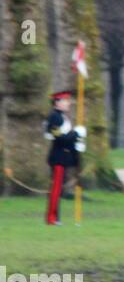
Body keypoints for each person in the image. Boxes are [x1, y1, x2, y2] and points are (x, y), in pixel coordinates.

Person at [44, 89, 84, 225]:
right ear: (57, 103)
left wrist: (77, 140)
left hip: (64, 157)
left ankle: (56, 217)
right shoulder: (54, 117)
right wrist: (74, 135)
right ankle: (51, 218)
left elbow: (68, 138)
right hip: (58, 158)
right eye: (65, 101)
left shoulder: (63, 117)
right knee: (56, 189)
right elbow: (59, 138)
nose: (68, 103)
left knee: (59, 189)